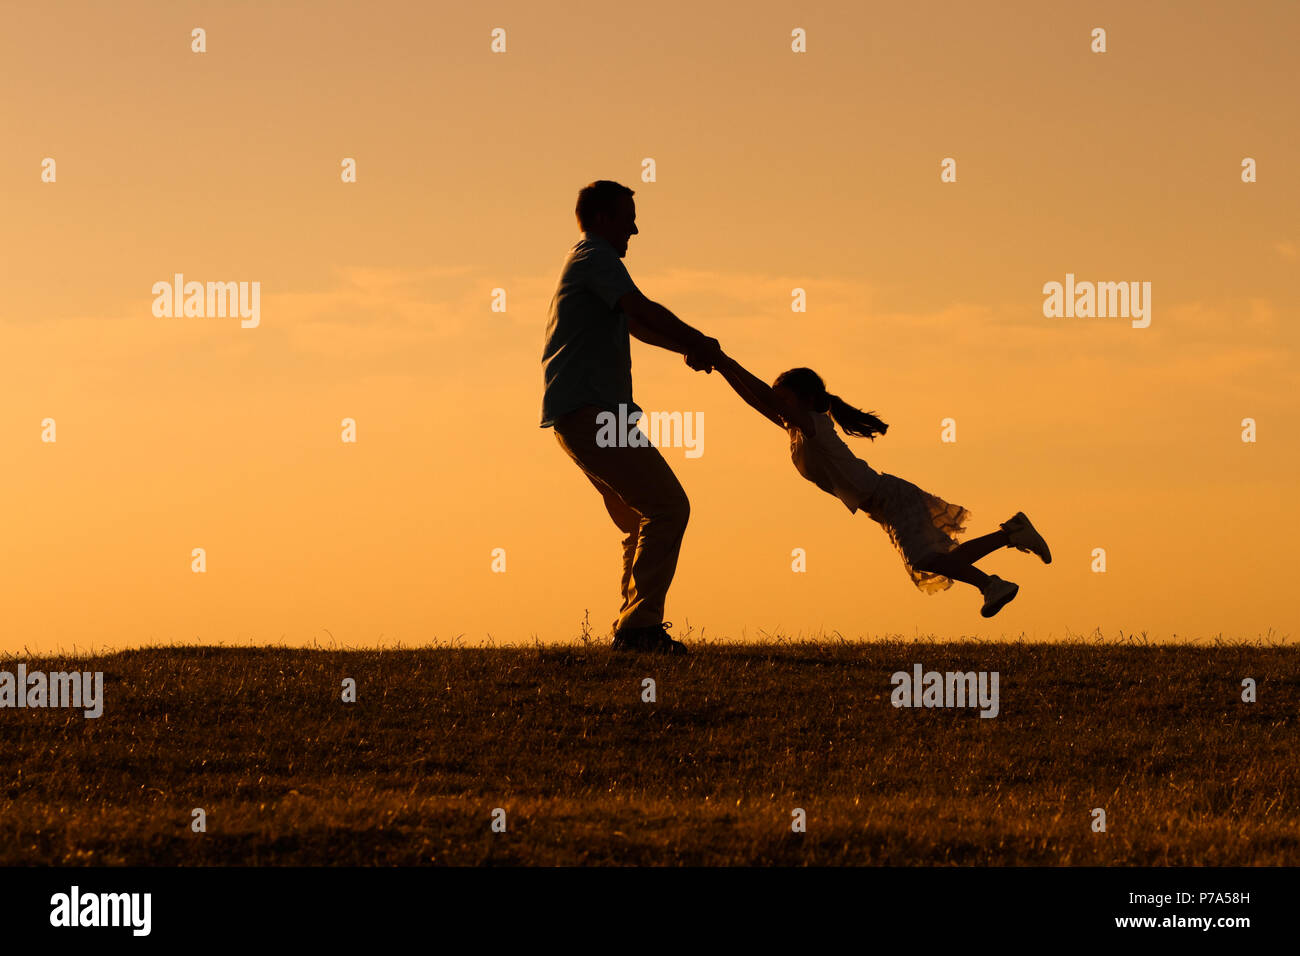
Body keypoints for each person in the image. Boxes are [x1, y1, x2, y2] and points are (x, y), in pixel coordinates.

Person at [714, 354, 1051, 616]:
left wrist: (722, 359)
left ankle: (992, 582)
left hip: (890, 497)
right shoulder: (795, 429)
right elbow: (758, 400)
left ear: (803, 401)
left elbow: (765, 399)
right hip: (883, 505)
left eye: (784, 399)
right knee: (942, 558)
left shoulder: (813, 424)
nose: (778, 405)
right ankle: (1011, 534)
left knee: (925, 559)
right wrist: (720, 365)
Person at [541, 181, 723, 653]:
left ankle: (632, 628)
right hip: (592, 413)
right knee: (669, 507)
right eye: (629, 217)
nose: (636, 228)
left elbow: (635, 324)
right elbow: (641, 309)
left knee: (641, 521)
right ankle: (639, 627)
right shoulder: (596, 258)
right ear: (602, 218)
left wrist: (688, 346)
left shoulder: (591, 263)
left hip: (589, 412)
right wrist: (698, 339)